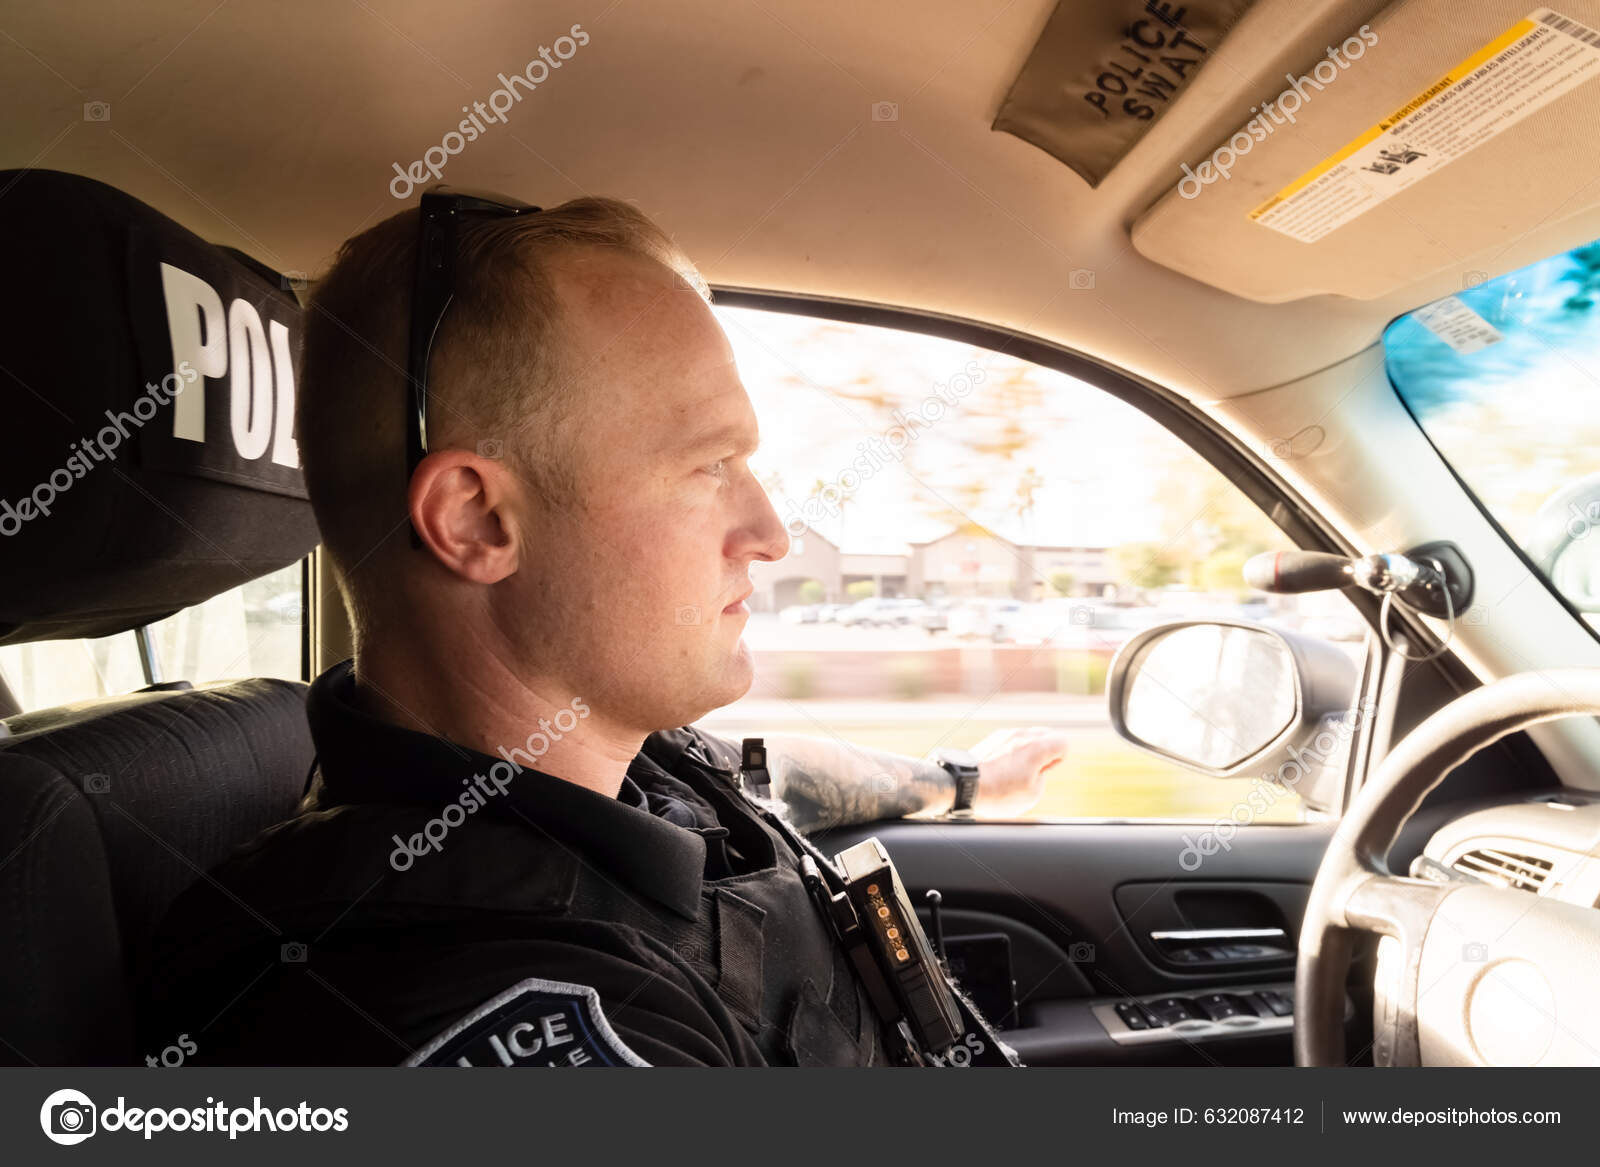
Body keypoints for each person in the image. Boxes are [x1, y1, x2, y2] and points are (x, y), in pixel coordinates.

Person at [137, 192, 1069, 1067]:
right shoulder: (487, 1002)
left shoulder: (616, 768)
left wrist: (970, 781)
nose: (771, 534)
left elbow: (762, 773)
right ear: (476, 521)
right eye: (710, 465)